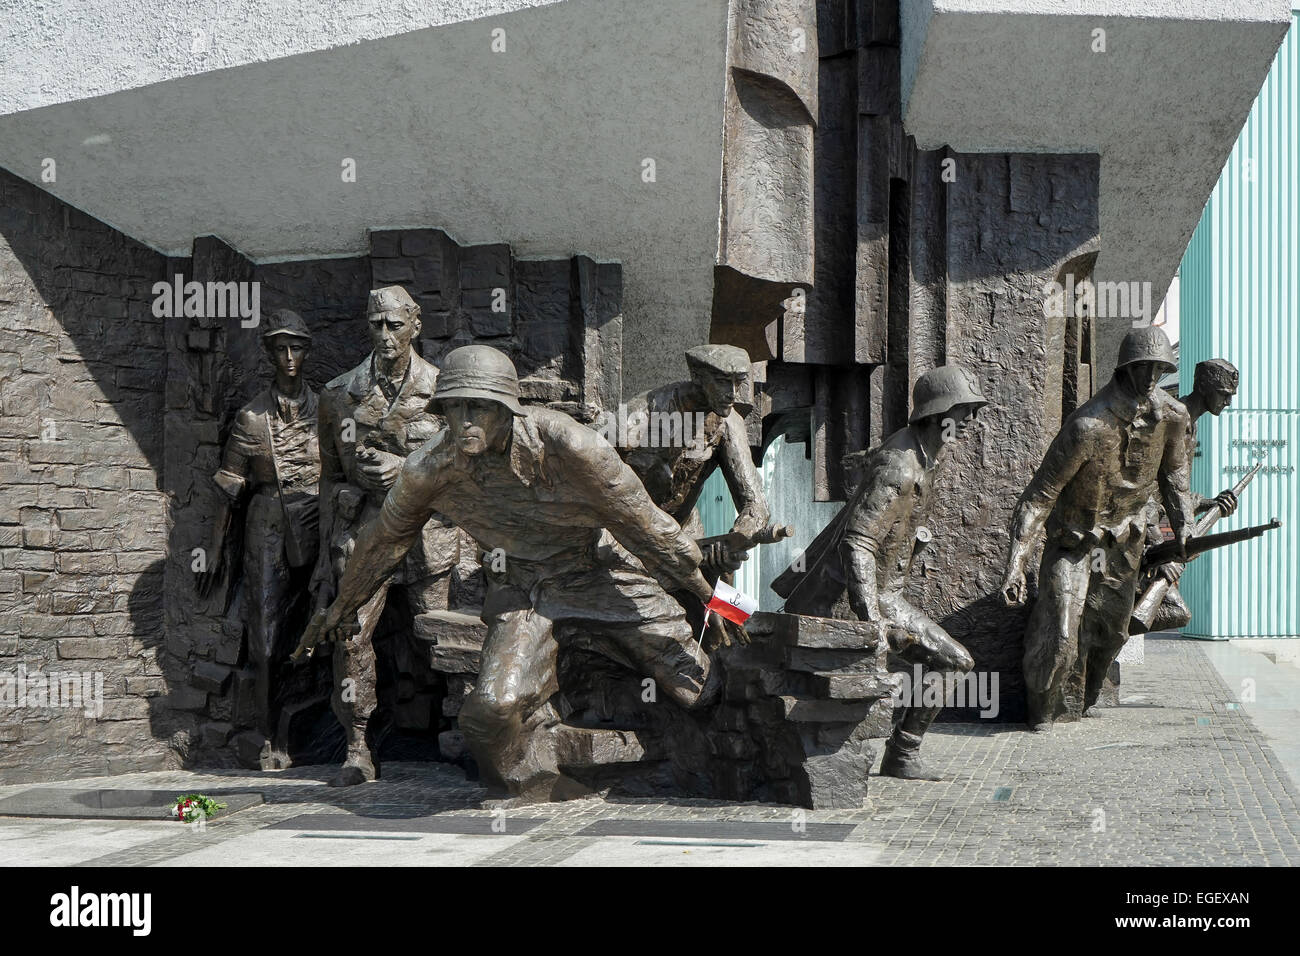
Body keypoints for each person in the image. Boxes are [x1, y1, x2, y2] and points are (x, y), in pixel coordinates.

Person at [299, 345, 719, 801]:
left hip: (599, 573)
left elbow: (644, 523)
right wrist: (340, 608)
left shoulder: (570, 445)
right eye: (453, 408)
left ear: (507, 410)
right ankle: (539, 786)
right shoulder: (430, 469)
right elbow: (384, 543)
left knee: (696, 687)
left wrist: (707, 597)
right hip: (523, 589)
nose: (463, 421)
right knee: (490, 712)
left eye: (477, 406)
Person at [776, 365, 986, 779]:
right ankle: (902, 754)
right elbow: (858, 543)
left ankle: (902, 753)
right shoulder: (901, 467)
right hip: (845, 600)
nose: (969, 421)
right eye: (964, 411)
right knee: (954, 662)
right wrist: (871, 621)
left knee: (953, 663)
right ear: (938, 414)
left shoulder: (923, 456)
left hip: (881, 593)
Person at [1001, 327, 1194, 729]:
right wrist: (1016, 564)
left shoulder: (1172, 418)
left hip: (1125, 546)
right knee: (1060, 633)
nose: (1150, 378)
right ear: (1124, 368)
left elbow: (1175, 479)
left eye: (1158, 369)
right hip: (1073, 544)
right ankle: (1041, 712)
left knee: (1112, 635)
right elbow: (1038, 498)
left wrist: (1185, 529)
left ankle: (1081, 700)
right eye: (1142, 368)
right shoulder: (1087, 426)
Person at [313, 286, 465, 786]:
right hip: (367, 535)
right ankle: (357, 746)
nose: (384, 334)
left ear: (415, 325)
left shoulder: (446, 392)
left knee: (446, 633)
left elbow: (466, 472)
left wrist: (406, 469)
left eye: (394, 325)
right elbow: (328, 478)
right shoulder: (338, 395)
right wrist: (349, 495)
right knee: (351, 635)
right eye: (375, 324)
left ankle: (468, 732)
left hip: (429, 534)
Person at [195, 309, 320, 768]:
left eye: (297, 348)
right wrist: (211, 550)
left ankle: (331, 729)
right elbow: (229, 487)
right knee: (265, 637)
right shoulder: (251, 417)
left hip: (319, 523)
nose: (289, 357)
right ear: (269, 353)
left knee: (327, 628)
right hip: (266, 524)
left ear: (307, 352)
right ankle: (269, 736)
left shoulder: (326, 408)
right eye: (280, 348)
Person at [1142, 359, 1241, 631]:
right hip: (1138, 532)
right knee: (1174, 612)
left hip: (1149, 531)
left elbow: (1176, 490)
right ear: (1204, 387)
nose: (1228, 402)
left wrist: (1211, 503)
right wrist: (1158, 549)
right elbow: (1146, 493)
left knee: (1177, 612)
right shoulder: (1173, 419)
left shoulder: (1191, 425)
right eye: (1224, 394)